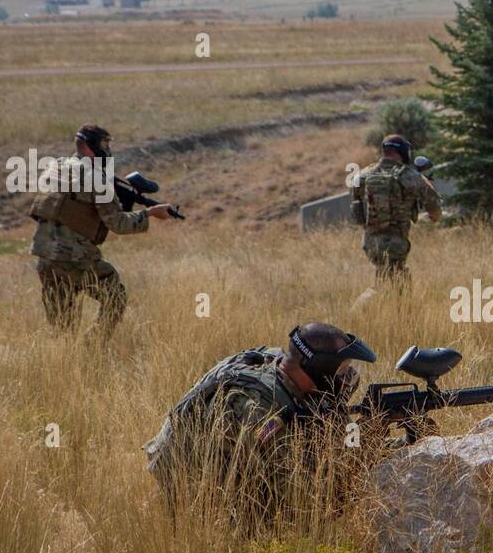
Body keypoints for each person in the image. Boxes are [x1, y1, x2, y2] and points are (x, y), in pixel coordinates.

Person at [143, 323, 377, 520]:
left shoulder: (290, 373)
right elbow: (306, 504)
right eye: (342, 369)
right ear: (318, 369)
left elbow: (331, 438)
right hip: (190, 488)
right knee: (269, 520)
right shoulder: (260, 411)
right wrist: (367, 446)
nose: (347, 377)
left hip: (225, 464)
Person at [28, 124, 176, 339]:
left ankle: (63, 357)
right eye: (105, 144)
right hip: (76, 257)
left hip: (45, 255)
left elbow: (69, 204)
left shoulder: (56, 167)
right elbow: (118, 224)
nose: (108, 149)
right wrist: (150, 213)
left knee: (61, 325)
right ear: (93, 145)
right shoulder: (96, 178)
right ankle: (92, 346)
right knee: (115, 297)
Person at [350, 134, 441, 282]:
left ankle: (380, 295)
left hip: (370, 244)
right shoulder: (411, 176)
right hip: (396, 244)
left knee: (387, 278)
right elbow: (435, 213)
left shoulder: (361, 176)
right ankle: (370, 298)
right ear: (403, 152)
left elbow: (357, 210)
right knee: (398, 286)